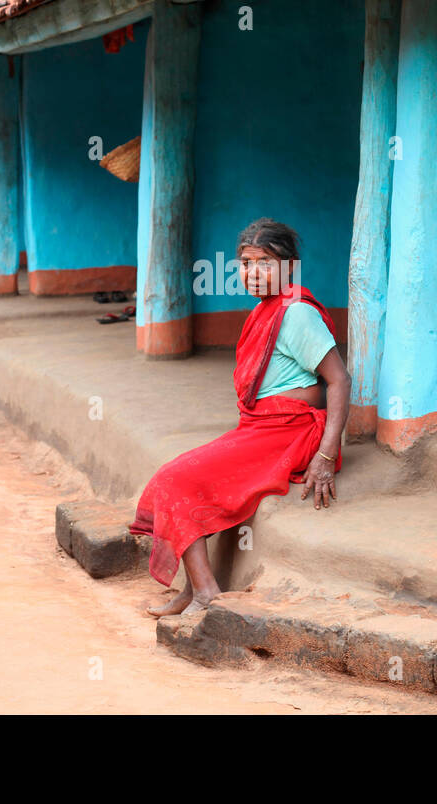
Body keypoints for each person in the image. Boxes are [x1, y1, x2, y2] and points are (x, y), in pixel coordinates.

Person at [129, 218, 351, 616]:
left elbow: (338, 381)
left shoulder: (296, 314)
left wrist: (326, 456)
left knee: (175, 478)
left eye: (265, 262)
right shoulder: (264, 312)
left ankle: (206, 592)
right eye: (246, 263)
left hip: (289, 434)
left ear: (289, 266)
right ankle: (194, 588)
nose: (253, 273)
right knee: (181, 479)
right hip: (260, 428)